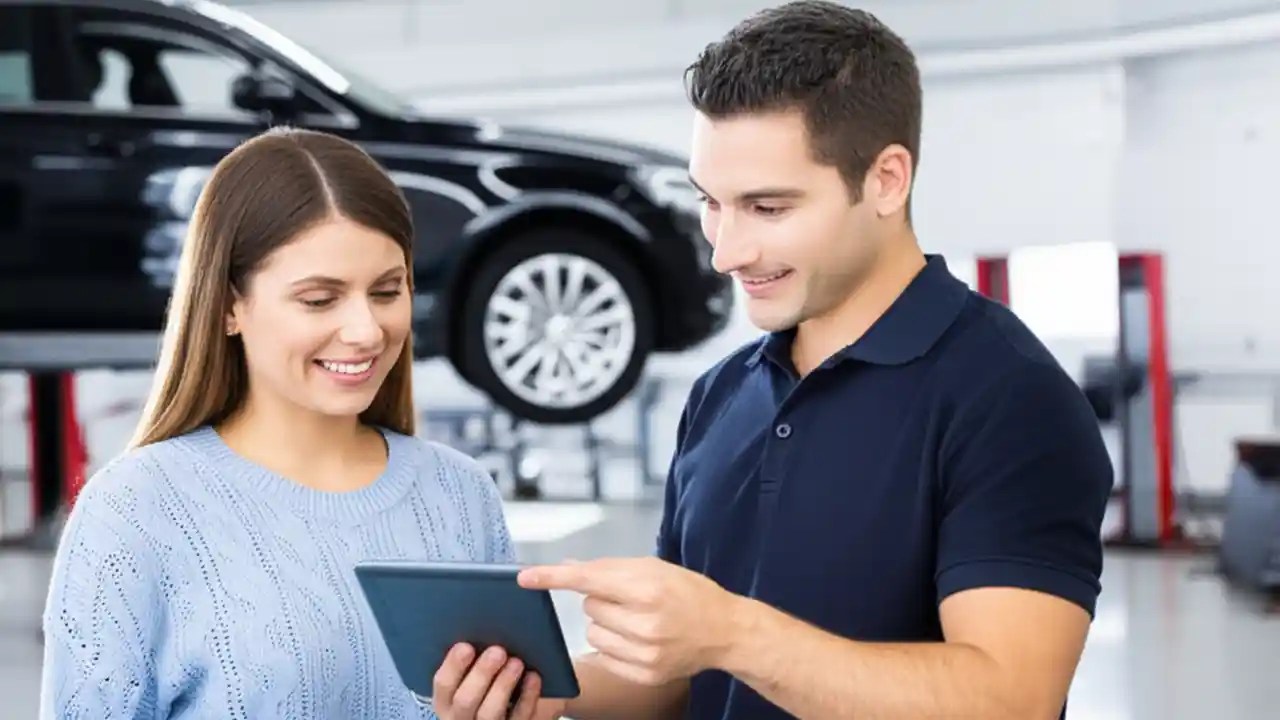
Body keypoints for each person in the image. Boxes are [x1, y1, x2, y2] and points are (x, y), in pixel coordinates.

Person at [432, 2, 1114, 719]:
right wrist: (544, 688)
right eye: (711, 203)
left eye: (767, 208)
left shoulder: (1010, 398)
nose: (726, 252)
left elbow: (1008, 700)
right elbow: (689, 677)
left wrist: (732, 632)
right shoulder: (721, 395)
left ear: (886, 180)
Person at [39, 127, 534, 718]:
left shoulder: (460, 494)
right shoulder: (133, 509)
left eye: (386, 291)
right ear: (229, 305)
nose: (366, 331)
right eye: (320, 300)